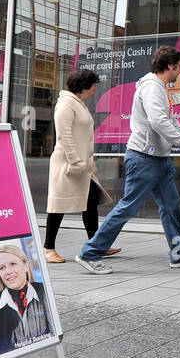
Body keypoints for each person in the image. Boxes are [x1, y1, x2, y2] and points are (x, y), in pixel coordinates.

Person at [75, 45, 180, 273]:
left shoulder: (159, 88)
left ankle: (179, 254)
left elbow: (168, 119)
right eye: (179, 68)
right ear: (169, 66)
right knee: (127, 207)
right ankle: (90, 253)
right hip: (145, 158)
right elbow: (157, 121)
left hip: (160, 159)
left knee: (170, 206)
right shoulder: (152, 88)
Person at [43, 69, 118, 263]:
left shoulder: (79, 104)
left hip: (83, 166)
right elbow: (64, 135)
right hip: (67, 164)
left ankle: (96, 245)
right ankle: (48, 248)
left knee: (90, 201)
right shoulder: (66, 104)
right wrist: (76, 160)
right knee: (58, 204)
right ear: (85, 86)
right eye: (94, 85)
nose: (95, 89)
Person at [0, 244, 51, 346]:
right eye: (2, 268)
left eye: (13, 264)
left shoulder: (44, 290)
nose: (8, 272)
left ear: (26, 266)